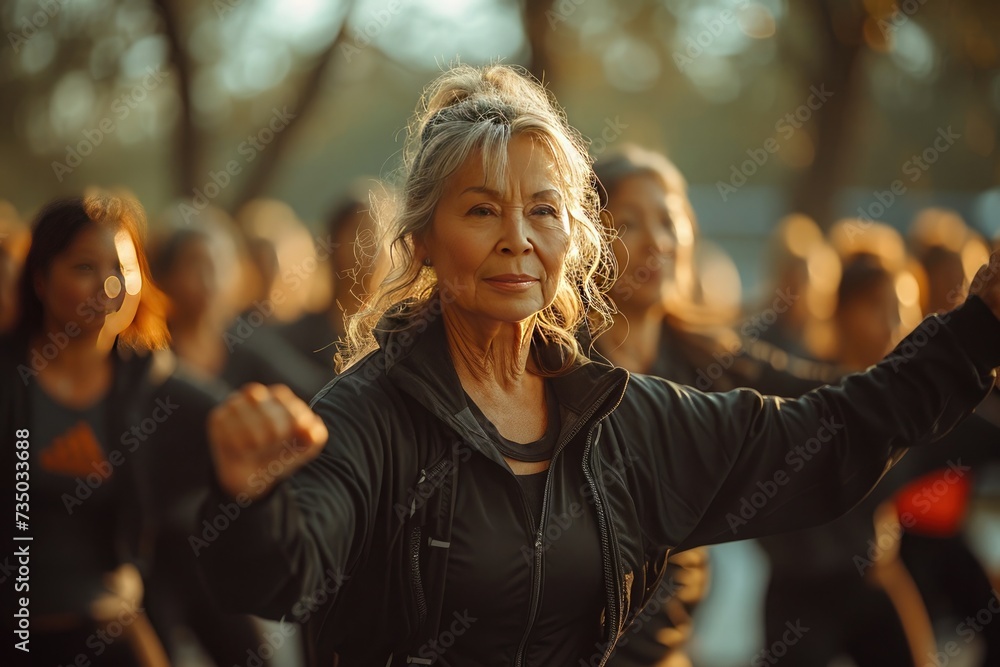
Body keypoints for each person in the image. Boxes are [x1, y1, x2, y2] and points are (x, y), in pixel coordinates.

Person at [197, 64, 1000, 667]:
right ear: (422, 244)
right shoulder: (366, 417)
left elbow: (828, 433)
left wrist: (977, 331)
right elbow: (278, 579)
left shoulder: (623, 418)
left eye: (543, 210)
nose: (518, 236)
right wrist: (248, 495)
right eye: (482, 210)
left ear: (572, 242)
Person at [0, 192, 224, 665]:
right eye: (84, 267)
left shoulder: (152, 385)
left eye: (121, 267)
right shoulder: (9, 377)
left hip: (107, 627)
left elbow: (236, 422)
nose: (108, 285)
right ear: (40, 278)